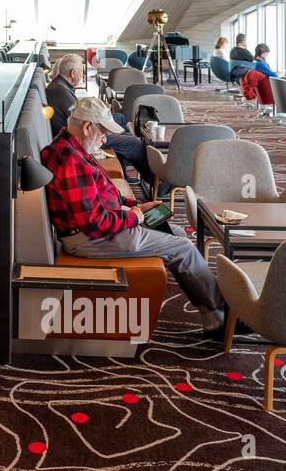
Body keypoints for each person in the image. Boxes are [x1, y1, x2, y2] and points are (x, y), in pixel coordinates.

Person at [40, 97, 229, 335]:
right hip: (89, 239)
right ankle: (218, 316)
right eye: (102, 132)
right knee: (182, 247)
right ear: (87, 127)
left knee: (175, 231)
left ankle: (209, 306)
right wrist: (135, 216)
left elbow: (97, 198)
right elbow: (95, 224)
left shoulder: (70, 147)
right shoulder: (71, 162)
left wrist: (134, 204)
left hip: (97, 229)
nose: (104, 139)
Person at [47, 54, 159, 194]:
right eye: (81, 71)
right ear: (73, 73)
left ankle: (130, 173)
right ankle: (155, 184)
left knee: (125, 133)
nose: (82, 75)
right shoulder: (59, 90)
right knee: (133, 142)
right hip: (82, 136)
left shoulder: (59, 86)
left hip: (80, 133)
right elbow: (82, 119)